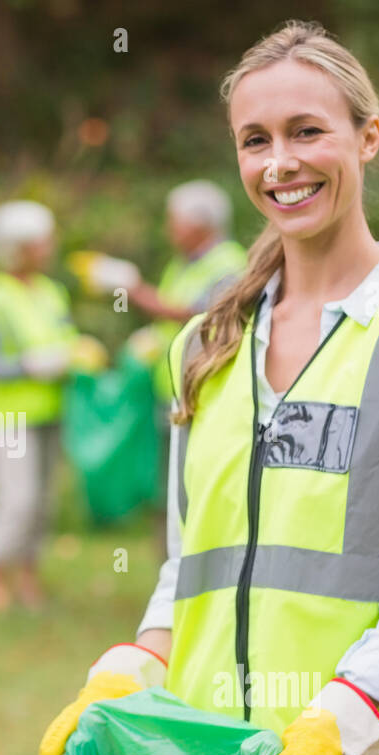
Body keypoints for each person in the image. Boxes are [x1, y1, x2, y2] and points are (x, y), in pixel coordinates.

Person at [39, 20, 379, 755]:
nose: (280, 163)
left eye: (308, 131)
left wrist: (345, 717)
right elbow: (194, 564)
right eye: (254, 140)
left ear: (368, 137)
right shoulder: (207, 346)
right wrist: (136, 664)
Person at [0, 200, 80, 612]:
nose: (49, 248)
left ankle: (29, 577)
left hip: (51, 413)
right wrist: (30, 365)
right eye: (41, 242)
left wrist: (77, 356)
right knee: (18, 501)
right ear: (17, 248)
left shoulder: (52, 292)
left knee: (44, 503)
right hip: (8, 418)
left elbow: (66, 342)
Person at [129, 181, 248, 559]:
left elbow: (198, 312)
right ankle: (170, 574)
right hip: (173, 391)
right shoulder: (183, 264)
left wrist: (136, 292)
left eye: (175, 221)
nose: (169, 229)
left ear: (201, 224)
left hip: (204, 394)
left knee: (193, 485)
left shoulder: (229, 262)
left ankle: (193, 569)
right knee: (168, 487)